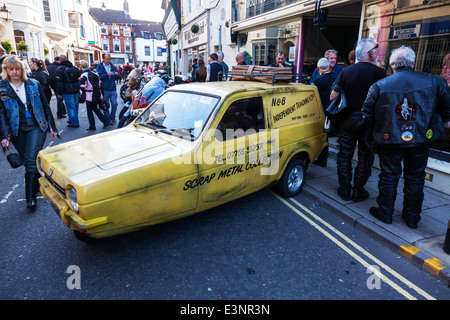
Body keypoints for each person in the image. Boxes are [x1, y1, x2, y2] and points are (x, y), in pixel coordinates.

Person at [362, 46, 450, 228]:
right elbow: (447, 110)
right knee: (416, 178)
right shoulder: (436, 81)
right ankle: (411, 217)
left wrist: (373, 134)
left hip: (390, 139)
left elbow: (367, 115)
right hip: (420, 138)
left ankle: (385, 212)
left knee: (389, 176)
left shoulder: (379, 85)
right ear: (412, 63)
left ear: (393, 66)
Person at [329, 38, 386, 202]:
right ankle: (358, 191)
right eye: (375, 49)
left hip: (348, 119)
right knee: (365, 157)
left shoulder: (346, 72)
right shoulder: (380, 73)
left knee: (344, 155)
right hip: (368, 121)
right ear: (370, 53)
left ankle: (344, 189)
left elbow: (333, 96)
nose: (377, 51)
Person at [0, 56, 58, 210]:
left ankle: (30, 198)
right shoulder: (2, 88)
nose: (14, 72)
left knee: (31, 160)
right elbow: (1, 114)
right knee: (28, 160)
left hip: (36, 125)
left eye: (17, 69)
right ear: (6, 70)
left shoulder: (34, 84)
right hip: (16, 128)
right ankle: (39, 179)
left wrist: (52, 126)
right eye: (11, 69)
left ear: (22, 69)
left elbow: (45, 106)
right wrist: (4, 136)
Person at [311, 58, 334, 167]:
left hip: (320, 112)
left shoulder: (317, 82)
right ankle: (323, 159)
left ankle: (320, 159)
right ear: (329, 67)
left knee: (319, 136)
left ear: (318, 68)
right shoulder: (334, 79)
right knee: (326, 135)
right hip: (330, 112)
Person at [79, 60, 110, 131]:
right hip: (97, 94)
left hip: (89, 95)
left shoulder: (84, 75)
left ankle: (93, 125)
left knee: (90, 111)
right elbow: (100, 84)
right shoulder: (95, 73)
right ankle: (105, 122)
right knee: (95, 109)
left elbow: (82, 86)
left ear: (81, 66)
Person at [55, 55, 80, 127]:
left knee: (70, 107)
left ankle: (74, 122)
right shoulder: (74, 68)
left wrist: (59, 93)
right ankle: (73, 120)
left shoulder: (60, 69)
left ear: (60, 60)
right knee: (75, 106)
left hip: (67, 90)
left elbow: (59, 83)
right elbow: (78, 79)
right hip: (75, 89)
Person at [97, 53, 119, 123]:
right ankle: (108, 119)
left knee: (115, 104)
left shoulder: (112, 66)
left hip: (112, 89)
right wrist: (107, 74)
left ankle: (113, 117)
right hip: (104, 89)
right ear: (103, 59)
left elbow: (118, 76)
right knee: (105, 106)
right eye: (107, 59)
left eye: (109, 59)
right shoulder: (99, 66)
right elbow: (99, 77)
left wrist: (116, 74)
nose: (108, 60)